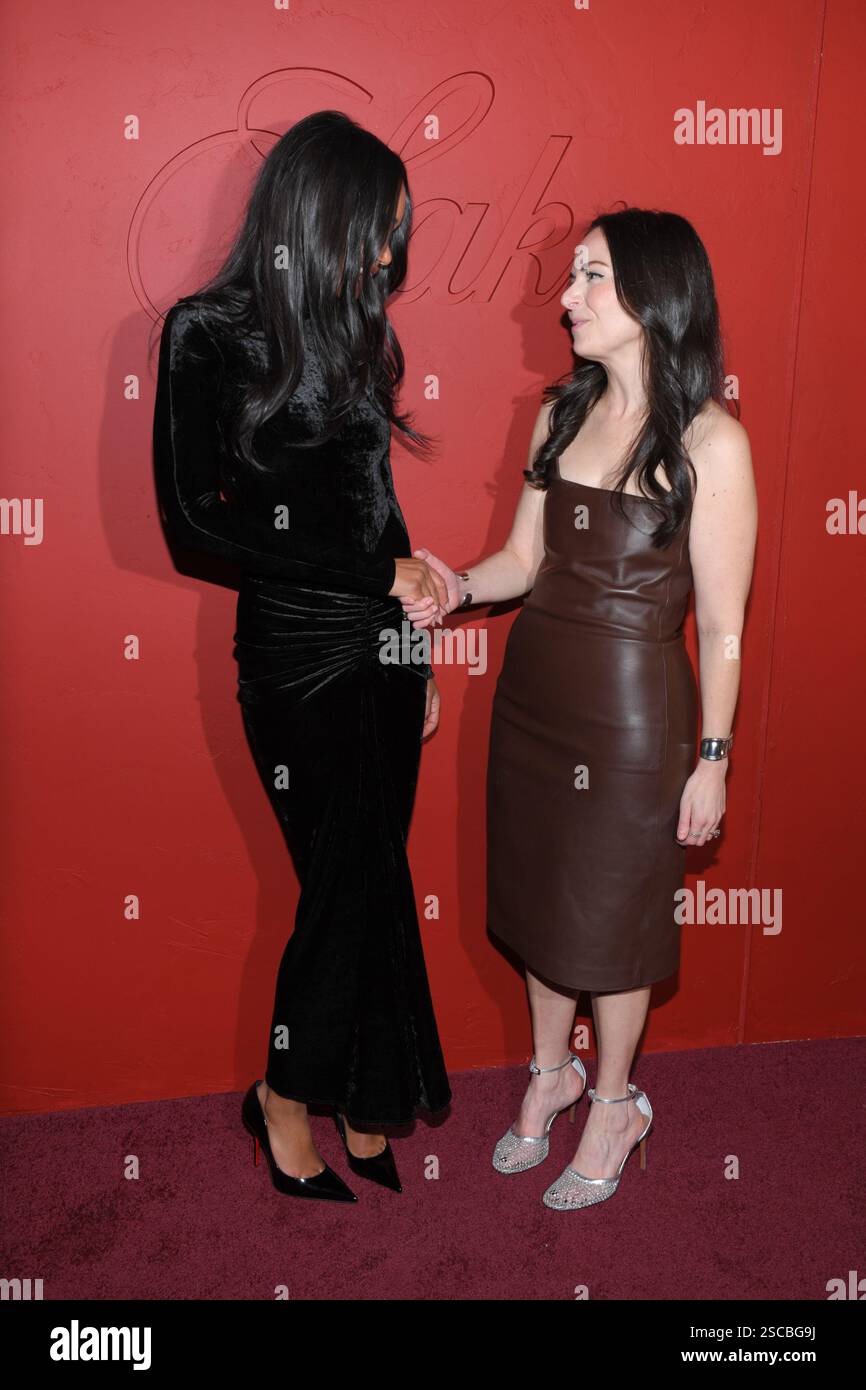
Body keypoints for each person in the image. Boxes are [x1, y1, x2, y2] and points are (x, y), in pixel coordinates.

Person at [401, 208, 757, 1210]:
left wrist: (712, 756)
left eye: (589, 277)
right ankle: (548, 1075)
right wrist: (453, 587)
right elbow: (523, 559)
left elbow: (723, 627)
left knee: (610, 917)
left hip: (634, 715)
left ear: (652, 294)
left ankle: (612, 1101)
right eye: (571, 276)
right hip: (534, 700)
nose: (565, 297)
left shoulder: (710, 441)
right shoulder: (557, 411)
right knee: (537, 901)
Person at [152, 110, 452, 1203]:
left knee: (371, 878)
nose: (386, 258)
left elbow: (377, 512)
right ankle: (286, 1097)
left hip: (375, 649)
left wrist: (406, 642)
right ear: (317, 215)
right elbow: (197, 524)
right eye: (377, 233)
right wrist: (378, 585)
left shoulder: (357, 336)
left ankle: (367, 1108)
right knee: (338, 884)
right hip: (290, 658)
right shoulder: (206, 334)